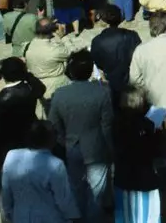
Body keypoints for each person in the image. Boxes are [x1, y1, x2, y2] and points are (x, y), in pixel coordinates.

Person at [47, 50, 113, 222]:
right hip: (97, 148)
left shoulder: (60, 94)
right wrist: (111, 149)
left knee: (76, 189)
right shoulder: (102, 92)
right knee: (97, 194)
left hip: (72, 147)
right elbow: (107, 125)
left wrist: (64, 141)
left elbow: (54, 124)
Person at [0, 120, 79, 223]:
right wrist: (74, 217)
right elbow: (63, 199)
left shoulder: (11, 156)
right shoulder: (56, 164)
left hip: (20, 217)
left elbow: (6, 191)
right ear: (51, 139)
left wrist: (8, 213)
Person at [113, 88, 166, 223]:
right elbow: (156, 150)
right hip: (144, 178)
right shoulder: (147, 124)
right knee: (147, 216)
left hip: (123, 176)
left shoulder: (115, 124)